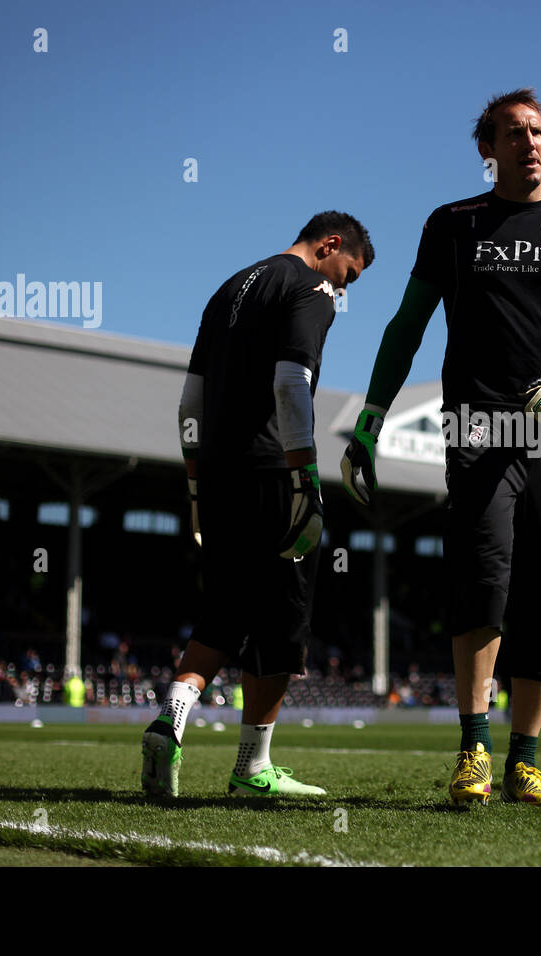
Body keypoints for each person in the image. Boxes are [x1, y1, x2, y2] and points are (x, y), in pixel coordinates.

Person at [340, 89, 541, 806]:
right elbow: (407, 324)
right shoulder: (453, 223)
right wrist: (372, 416)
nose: (531, 143)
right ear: (486, 150)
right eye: (515, 133)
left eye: (540, 131)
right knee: (482, 582)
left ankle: (527, 759)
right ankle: (474, 751)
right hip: (475, 426)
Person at [140, 211, 373, 799]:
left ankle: (170, 719)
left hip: (218, 473)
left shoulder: (227, 289)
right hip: (274, 469)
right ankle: (252, 766)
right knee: (283, 621)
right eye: (348, 276)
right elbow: (292, 382)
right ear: (330, 245)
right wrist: (305, 478)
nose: (342, 291)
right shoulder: (309, 285)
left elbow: (189, 400)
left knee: (222, 611)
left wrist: (196, 485)